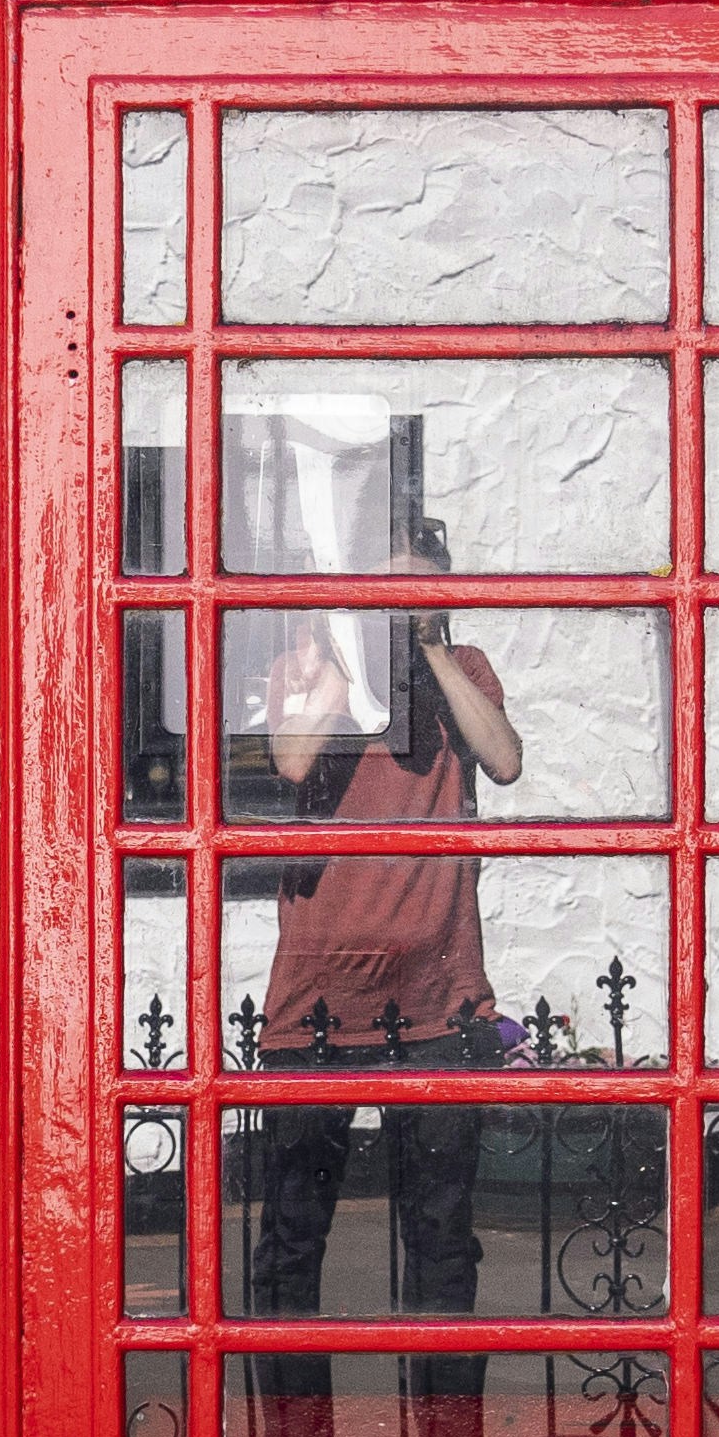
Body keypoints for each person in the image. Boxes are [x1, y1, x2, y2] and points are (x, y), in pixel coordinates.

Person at [237, 510, 520, 1340]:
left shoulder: (462, 668)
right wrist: (343, 644)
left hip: (439, 1000)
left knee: (440, 1248)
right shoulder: (310, 664)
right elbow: (292, 759)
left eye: (419, 592)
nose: (402, 607)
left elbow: (502, 759)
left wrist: (428, 646)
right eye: (388, 591)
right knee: (290, 1247)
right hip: (316, 1002)